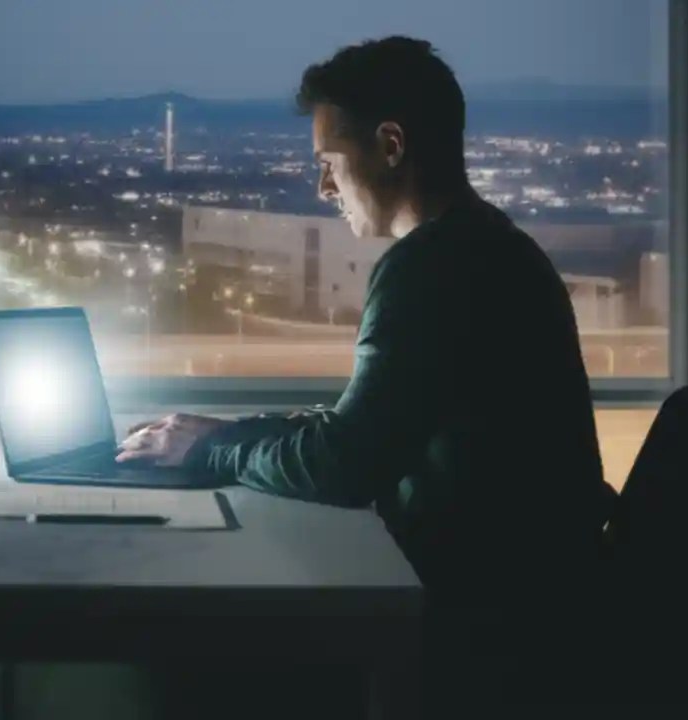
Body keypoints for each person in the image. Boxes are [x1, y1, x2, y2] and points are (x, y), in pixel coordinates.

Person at [118, 37, 618, 715]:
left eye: (329, 162)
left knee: (185, 674)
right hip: (536, 612)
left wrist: (215, 450)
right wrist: (231, 433)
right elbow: (372, 429)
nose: (322, 186)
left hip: (480, 634)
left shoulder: (430, 269)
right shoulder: (497, 247)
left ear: (390, 145)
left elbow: (348, 464)